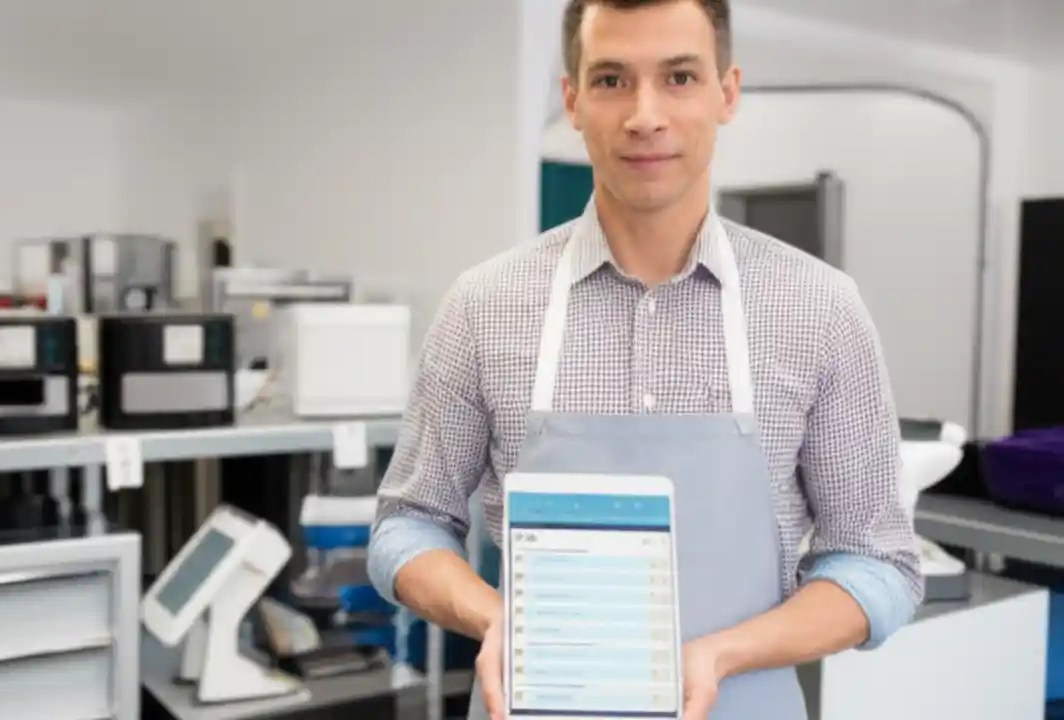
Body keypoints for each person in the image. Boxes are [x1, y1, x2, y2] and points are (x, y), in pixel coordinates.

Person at [368, 0, 921, 718]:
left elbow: (878, 562)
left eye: (680, 77)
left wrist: (723, 654)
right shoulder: (484, 307)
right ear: (572, 99)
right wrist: (495, 619)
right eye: (611, 80)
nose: (645, 114)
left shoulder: (819, 309)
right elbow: (406, 523)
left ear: (727, 91)